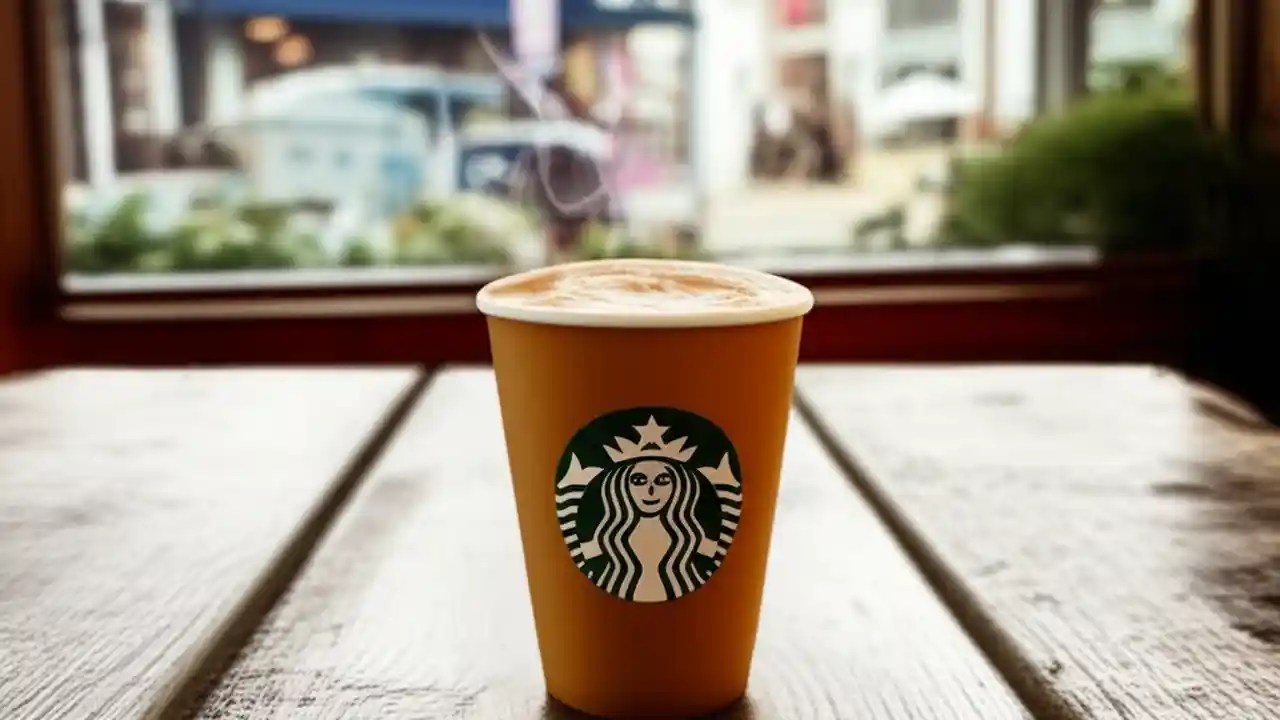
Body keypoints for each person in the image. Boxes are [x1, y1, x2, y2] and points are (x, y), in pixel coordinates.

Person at [577, 456, 720, 602]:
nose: (650, 490)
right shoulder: (601, 544)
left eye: (662, 481)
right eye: (639, 481)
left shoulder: (697, 542)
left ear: (678, 486)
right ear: (622, 486)